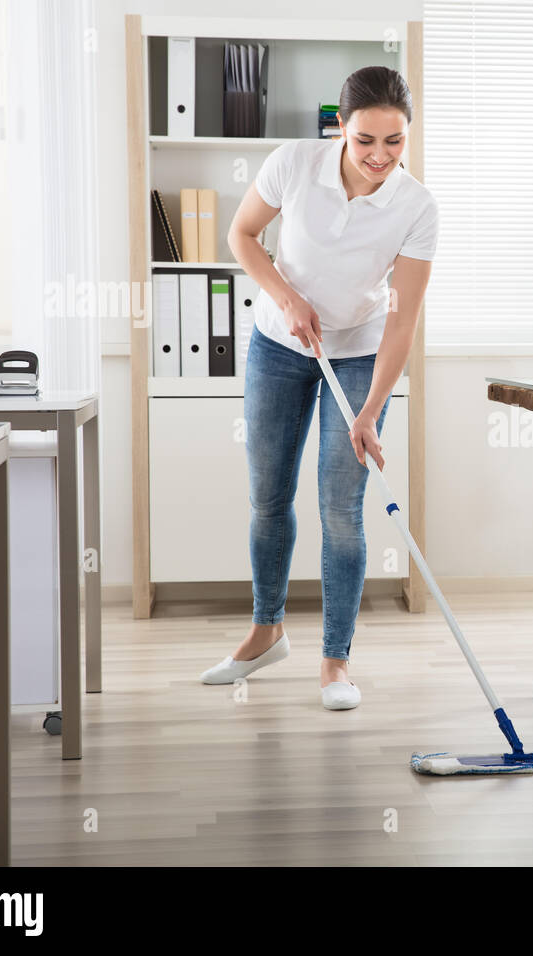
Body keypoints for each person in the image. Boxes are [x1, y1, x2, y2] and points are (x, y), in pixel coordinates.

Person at [199, 65, 437, 710]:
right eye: (366, 140)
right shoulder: (294, 164)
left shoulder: (416, 206)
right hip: (278, 344)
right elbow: (242, 236)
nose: (380, 156)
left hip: (357, 355)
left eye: (394, 141)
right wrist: (286, 295)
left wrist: (370, 411)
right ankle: (265, 630)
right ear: (341, 127)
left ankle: (336, 661)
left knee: (341, 507)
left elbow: (402, 318)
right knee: (268, 496)